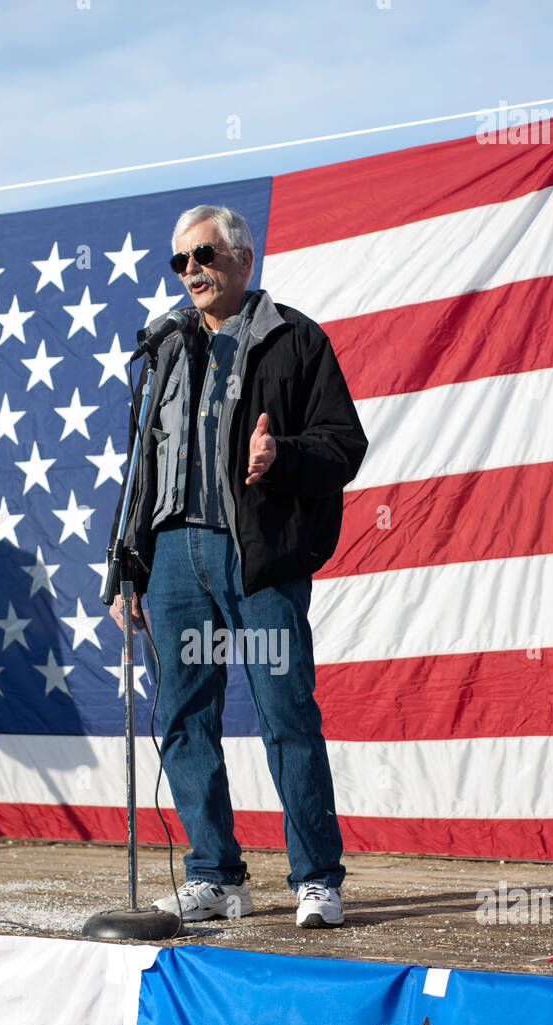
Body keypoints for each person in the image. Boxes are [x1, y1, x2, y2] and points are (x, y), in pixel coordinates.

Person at [108, 205, 367, 927]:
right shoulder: (164, 351)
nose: (191, 271)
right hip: (172, 560)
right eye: (180, 262)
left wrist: (280, 454)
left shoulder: (295, 341)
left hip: (254, 558)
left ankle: (317, 878)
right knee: (186, 718)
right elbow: (141, 469)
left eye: (205, 256)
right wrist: (129, 565)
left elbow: (344, 446)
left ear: (243, 260)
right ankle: (215, 878)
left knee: (286, 714)